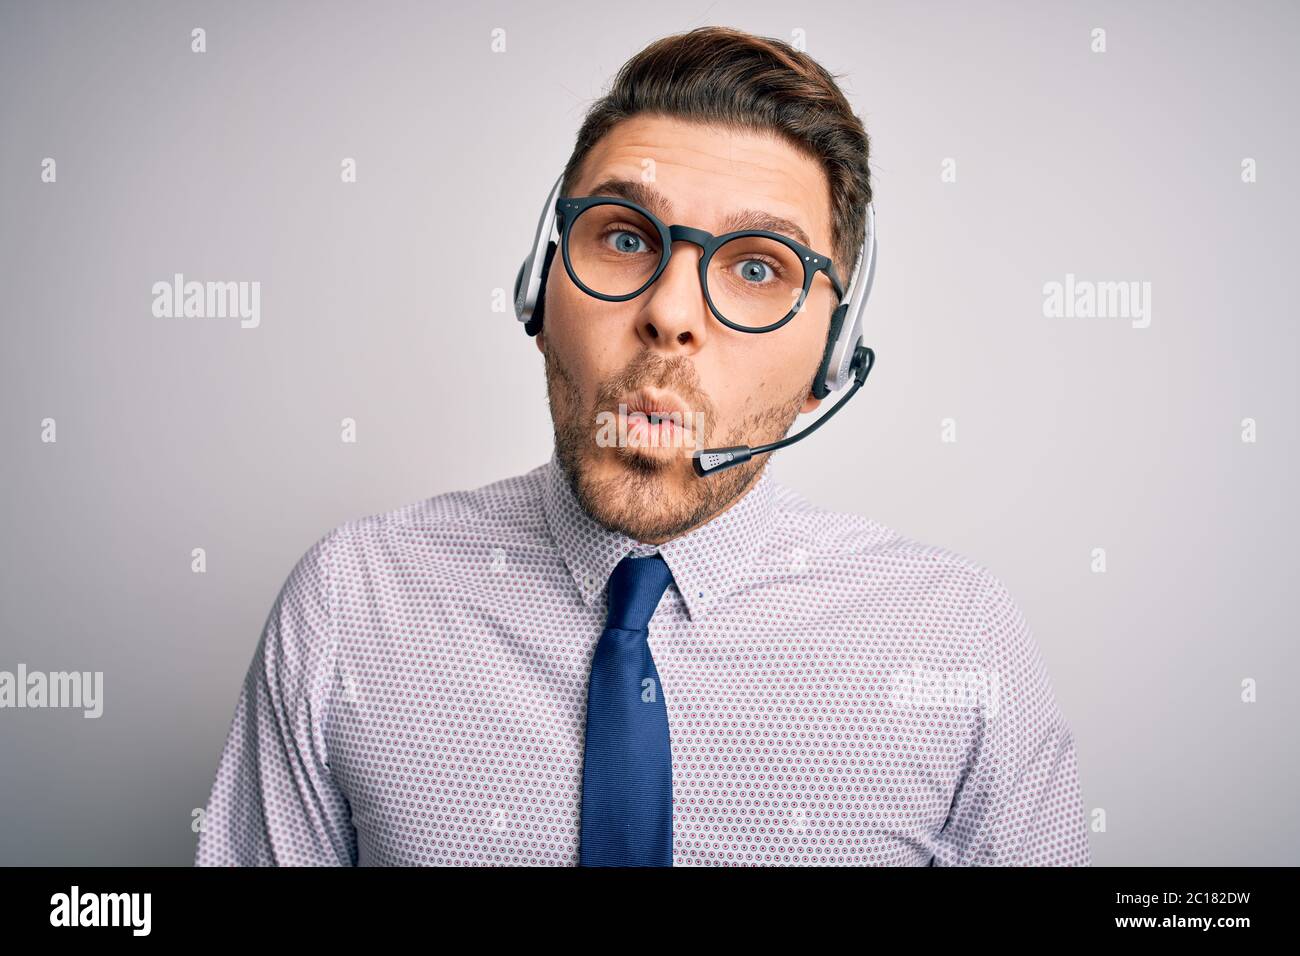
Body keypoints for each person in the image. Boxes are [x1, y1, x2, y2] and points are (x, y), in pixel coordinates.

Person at [195, 25, 1090, 867]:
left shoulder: (959, 643)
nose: (668, 313)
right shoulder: (350, 605)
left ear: (832, 354)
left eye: (755, 267)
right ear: (537, 294)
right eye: (625, 238)